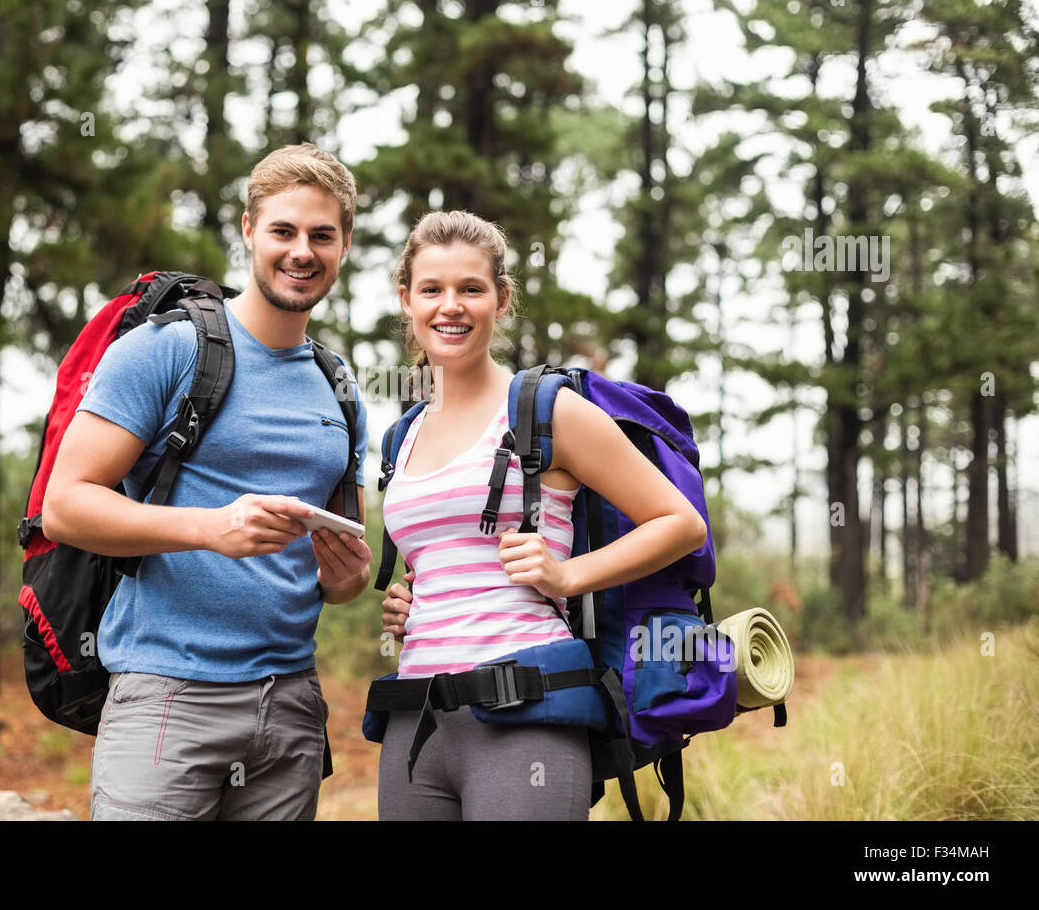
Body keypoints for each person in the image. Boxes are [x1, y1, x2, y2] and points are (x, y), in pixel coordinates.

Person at [42, 143, 372, 821]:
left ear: (344, 246)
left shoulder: (339, 388)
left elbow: (342, 569)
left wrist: (347, 580)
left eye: (322, 235)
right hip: (166, 696)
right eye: (283, 230)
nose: (301, 251)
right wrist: (209, 528)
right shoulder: (166, 349)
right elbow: (65, 506)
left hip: (290, 708)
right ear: (249, 230)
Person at [377, 211, 709, 821]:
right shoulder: (403, 436)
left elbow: (681, 523)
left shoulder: (547, 411)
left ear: (501, 300)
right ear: (408, 299)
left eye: (471, 289)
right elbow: (455, 556)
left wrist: (566, 575)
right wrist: (415, 598)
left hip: (527, 714)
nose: (450, 306)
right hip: (414, 721)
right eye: (432, 289)